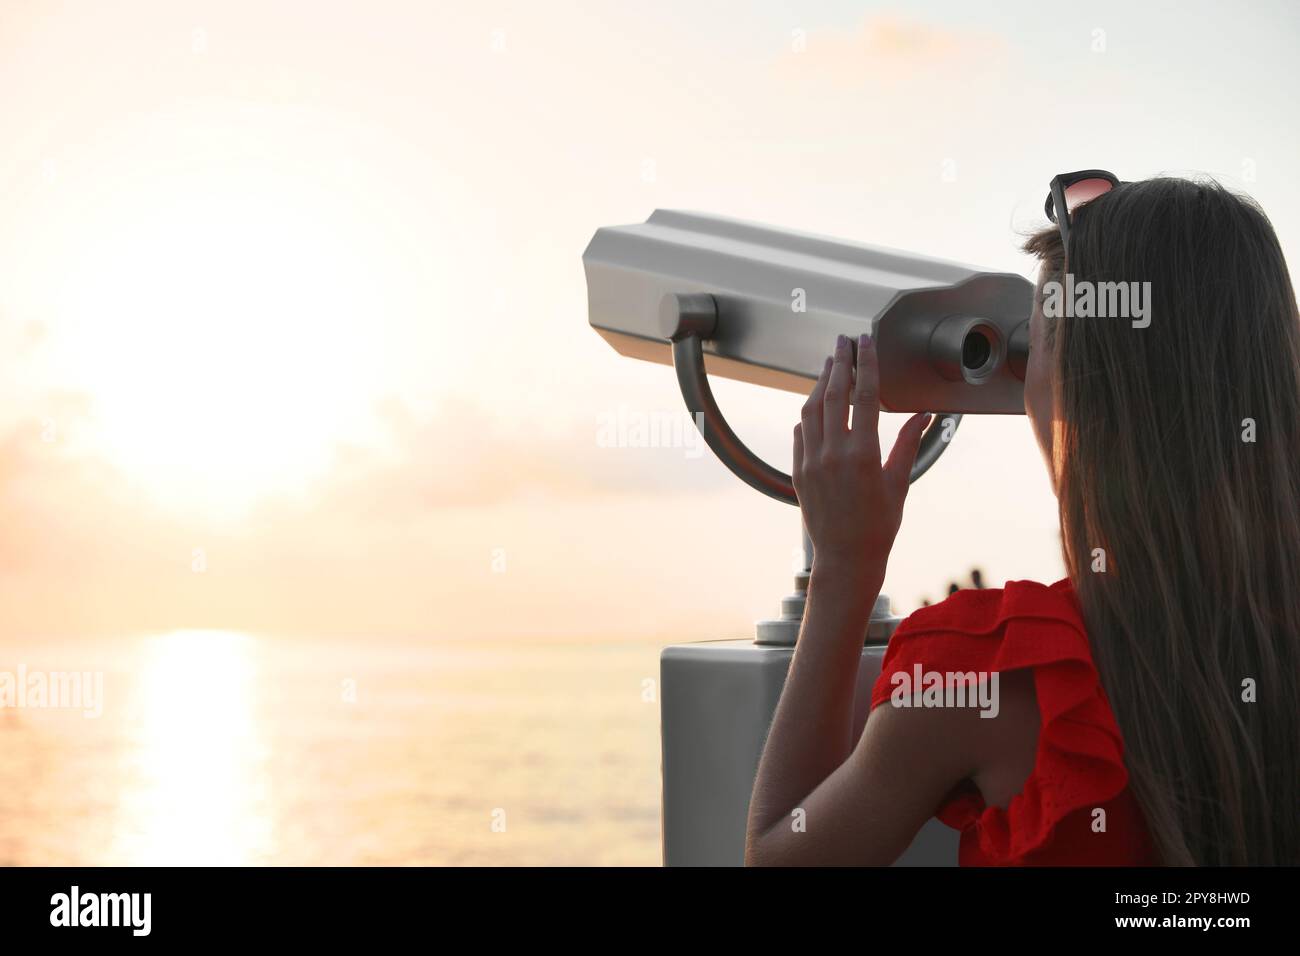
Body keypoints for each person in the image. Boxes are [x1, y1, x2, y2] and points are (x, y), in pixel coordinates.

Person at [745, 173, 1300, 866]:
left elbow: (779, 857)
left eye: (1031, 345)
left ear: (1072, 380)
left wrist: (844, 570)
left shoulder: (992, 678)